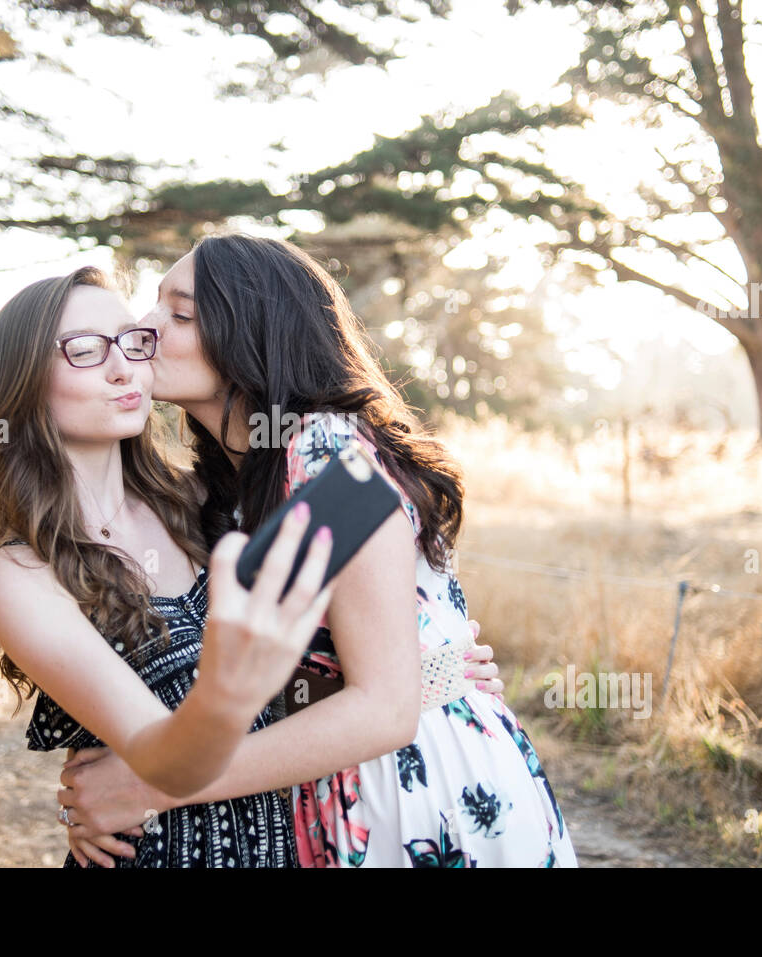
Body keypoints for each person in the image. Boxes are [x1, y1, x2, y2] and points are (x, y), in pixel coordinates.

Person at [58, 235, 578, 867]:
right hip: (325, 786)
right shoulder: (228, 480)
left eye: (181, 312)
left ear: (256, 332)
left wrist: (146, 786)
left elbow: (386, 710)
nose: (145, 327)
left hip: (418, 791)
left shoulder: (325, 449)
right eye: (153, 306)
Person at [0, 265, 337, 867]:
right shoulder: (21, 576)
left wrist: (428, 672)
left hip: (293, 845)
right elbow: (162, 756)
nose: (123, 368)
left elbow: (299, 690)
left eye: (132, 342)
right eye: (85, 351)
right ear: (26, 382)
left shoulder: (205, 501)